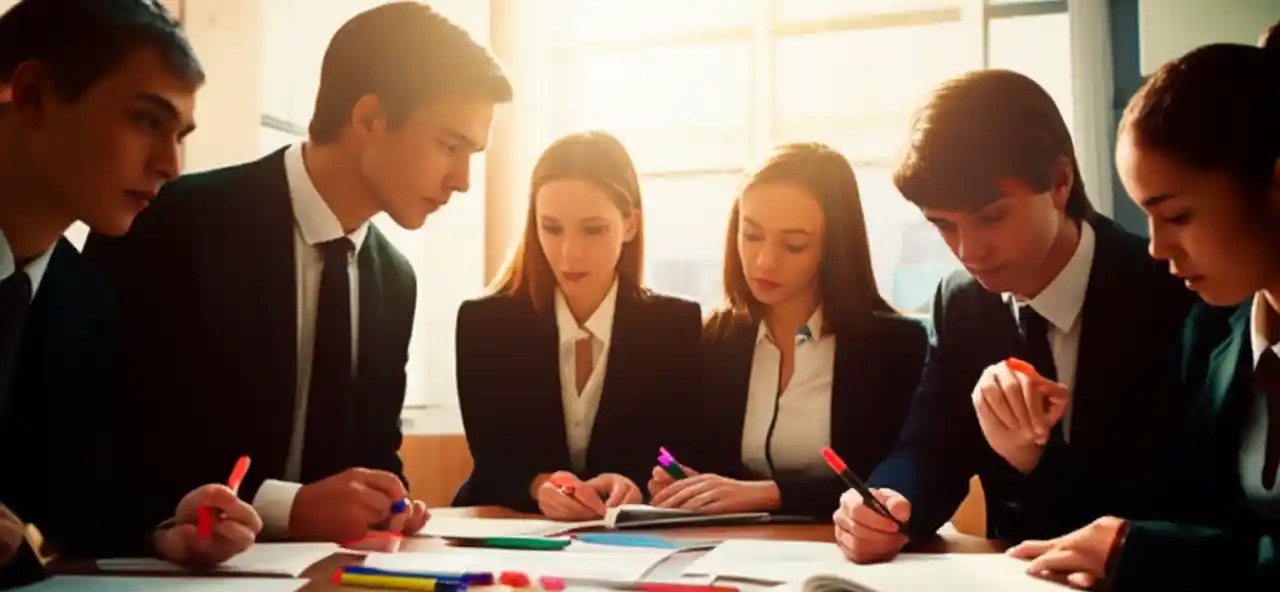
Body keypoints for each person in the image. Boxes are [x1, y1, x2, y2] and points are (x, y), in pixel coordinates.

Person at [85, 2, 512, 543]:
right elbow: (102, 443)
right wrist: (288, 508)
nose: (463, 180)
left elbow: (375, 454)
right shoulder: (172, 223)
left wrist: (391, 503)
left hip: (330, 580)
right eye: (450, 146)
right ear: (369, 119)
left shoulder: (394, 280)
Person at [835, 70, 1193, 563]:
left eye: (990, 217)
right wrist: (888, 504)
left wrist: (1036, 459)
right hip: (1011, 587)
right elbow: (930, 447)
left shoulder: (1171, 288)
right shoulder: (961, 301)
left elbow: (1179, 500)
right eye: (943, 226)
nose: (968, 251)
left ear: (1060, 182)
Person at [1008, 41, 1280, 592]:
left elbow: (1158, 543)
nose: (1156, 248)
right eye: (1147, 218)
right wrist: (1035, 450)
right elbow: (1153, 504)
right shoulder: (1213, 332)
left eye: (1178, 215)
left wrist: (1146, 555)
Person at [0, 0, 259, 575]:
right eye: (146, 121)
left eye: (180, 135)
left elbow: (67, 499)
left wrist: (161, 530)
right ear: (33, 95)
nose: (171, 165)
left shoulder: (82, 299)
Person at [648, 143, 927, 517]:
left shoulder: (894, 347)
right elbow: (692, 456)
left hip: (844, 543)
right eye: (751, 235)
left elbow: (889, 483)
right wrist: (683, 479)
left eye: (794, 245)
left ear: (833, 247)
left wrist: (772, 494)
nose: (765, 261)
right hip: (733, 544)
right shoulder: (716, 338)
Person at [454, 131, 701, 520]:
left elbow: (674, 457)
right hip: (513, 526)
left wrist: (636, 482)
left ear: (630, 225)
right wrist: (540, 486)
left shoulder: (674, 327)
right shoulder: (486, 325)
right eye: (552, 228)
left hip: (630, 534)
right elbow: (492, 464)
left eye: (593, 229)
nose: (570, 252)